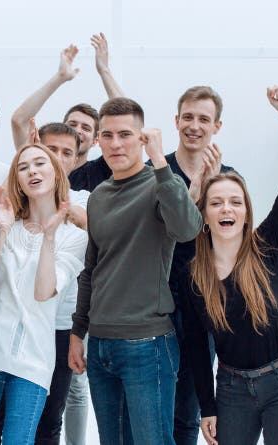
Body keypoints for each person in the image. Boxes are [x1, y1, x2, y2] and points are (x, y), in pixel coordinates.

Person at [69, 98, 202, 444]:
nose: (115, 144)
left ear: (142, 138)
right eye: (107, 135)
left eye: (125, 134)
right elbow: (91, 268)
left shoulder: (159, 184)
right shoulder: (97, 196)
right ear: (97, 139)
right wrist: (77, 331)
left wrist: (160, 162)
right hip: (100, 345)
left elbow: (188, 229)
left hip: (148, 345)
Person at [182, 87, 278, 445]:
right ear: (204, 215)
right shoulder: (193, 275)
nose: (227, 209)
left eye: (236, 202)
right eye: (217, 202)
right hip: (234, 388)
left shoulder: (267, 247)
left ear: (246, 213)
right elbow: (196, 346)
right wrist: (207, 406)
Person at [0, 143, 87, 443]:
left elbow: (45, 292)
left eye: (40, 163)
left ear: (56, 173)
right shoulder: (2, 224)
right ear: (16, 180)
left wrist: (48, 238)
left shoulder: (75, 236)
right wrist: (2, 230)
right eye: (23, 166)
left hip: (33, 361)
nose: (32, 170)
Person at [160, 86, 234, 445]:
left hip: (202, 305)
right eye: (188, 117)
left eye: (203, 119)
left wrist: (214, 186)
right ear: (176, 121)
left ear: (216, 126)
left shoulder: (229, 179)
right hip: (156, 301)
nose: (194, 125)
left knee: (187, 413)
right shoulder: (156, 172)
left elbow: (232, 243)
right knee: (151, 411)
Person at [29, 123, 90, 445]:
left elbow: (88, 223)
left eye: (67, 152)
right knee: (11, 415)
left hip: (62, 325)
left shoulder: (84, 200)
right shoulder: (20, 197)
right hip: (21, 322)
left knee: (52, 417)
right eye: (51, 149)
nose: (58, 158)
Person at [12, 33, 124, 194]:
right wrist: (60, 77)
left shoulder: (101, 170)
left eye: (86, 127)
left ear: (95, 139)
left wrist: (104, 70)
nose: (78, 130)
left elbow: (127, 118)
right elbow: (19, 120)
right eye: (72, 125)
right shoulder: (36, 165)